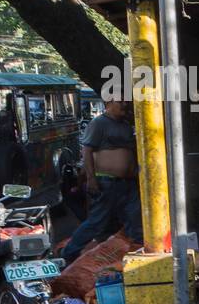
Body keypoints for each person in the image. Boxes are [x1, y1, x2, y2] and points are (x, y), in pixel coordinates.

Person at [61, 97, 143, 265]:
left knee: (135, 221)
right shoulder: (98, 124)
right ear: (108, 103)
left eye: (126, 101)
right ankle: (67, 254)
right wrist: (91, 179)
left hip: (128, 184)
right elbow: (87, 151)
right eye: (121, 101)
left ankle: (137, 258)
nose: (125, 104)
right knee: (96, 223)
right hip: (107, 183)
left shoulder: (126, 126)